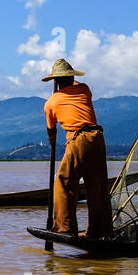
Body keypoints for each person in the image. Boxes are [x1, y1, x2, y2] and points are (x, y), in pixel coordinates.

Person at [42, 59, 110, 237]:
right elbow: (76, 83)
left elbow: (51, 131)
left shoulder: (51, 103)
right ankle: (99, 231)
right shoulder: (84, 89)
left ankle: (64, 228)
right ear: (72, 78)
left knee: (64, 183)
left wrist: (52, 140)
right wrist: (68, 79)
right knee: (97, 186)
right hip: (97, 139)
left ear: (55, 81)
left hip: (78, 140)